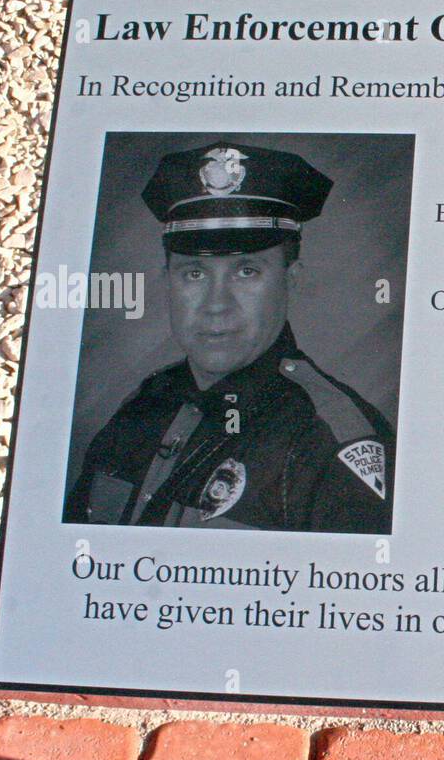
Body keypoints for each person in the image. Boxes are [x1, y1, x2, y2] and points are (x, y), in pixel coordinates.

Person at [64, 140, 394, 533]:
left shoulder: (330, 442)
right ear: (167, 281)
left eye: (246, 272)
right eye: (195, 274)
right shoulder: (142, 410)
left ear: (291, 280)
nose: (215, 305)